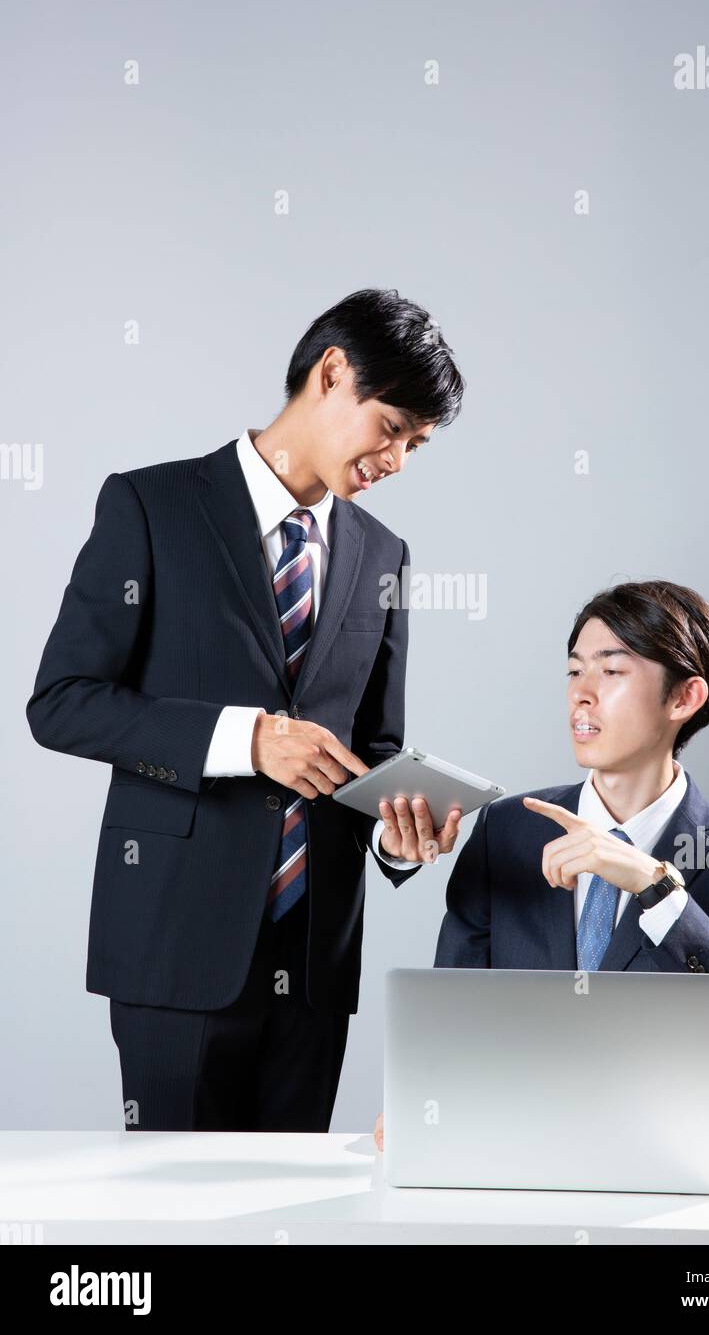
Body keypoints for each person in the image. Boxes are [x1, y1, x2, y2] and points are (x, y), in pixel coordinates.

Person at [26, 287, 464, 1132]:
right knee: (176, 1219)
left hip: (313, 964)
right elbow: (62, 703)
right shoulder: (152, 507)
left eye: (418, 444)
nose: (398, 460)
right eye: (394, 427)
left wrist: (399, 831)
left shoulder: (384, 553)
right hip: (176, 947)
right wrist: (244, 740)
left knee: (289, 1218)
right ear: (333, 373)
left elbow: (372, 748)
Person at [373, 579, 709, 1149]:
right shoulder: (506, 831)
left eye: (612, 671)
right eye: (575, 671)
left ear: (684, 698)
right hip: (506, 1157)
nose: (582, 693)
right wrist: (417, 1099)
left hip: (660, 1168)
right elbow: (450, 1014)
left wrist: (659, 891)